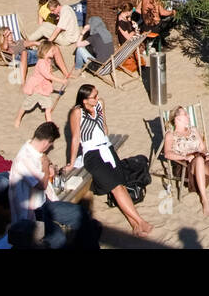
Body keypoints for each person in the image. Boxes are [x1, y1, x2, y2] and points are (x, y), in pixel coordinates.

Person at [65, 84, 153, 236]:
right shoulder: (76, 112)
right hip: (92, 154)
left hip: (106, 147)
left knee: (121, 184)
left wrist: (105, 138)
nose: (97, 98)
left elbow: (104, 124)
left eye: (97, 94)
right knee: (116, 186)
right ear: (85, 100)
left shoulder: (100, 104)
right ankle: (140, 221)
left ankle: (135, 225)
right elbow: (75, 138)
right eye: (94, 96)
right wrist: (71, 163)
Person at [8, 122, 97, 248]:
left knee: (80, 214)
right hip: (33, 212)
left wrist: (49, 167)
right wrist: (45, 165)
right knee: (58, 239)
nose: (51, 148)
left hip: (45, 204)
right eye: (51, 144)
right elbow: (42, 184)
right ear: (46, 142)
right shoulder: (25, 158)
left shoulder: (35, 150)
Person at [15, 35, 69, 127]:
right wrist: (61, 80)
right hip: (36, 88)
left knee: (48, 106)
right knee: (26, 105)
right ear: (46, 51)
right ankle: (18, 118)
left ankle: (49, 123)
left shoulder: (47, 60)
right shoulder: (41, 62)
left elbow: (49, 73)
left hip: (43, 88)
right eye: (52, 51)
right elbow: (47, 75)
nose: (53, 52)